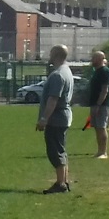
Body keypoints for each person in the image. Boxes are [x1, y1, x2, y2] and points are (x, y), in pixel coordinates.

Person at [36, 44, 75, 194]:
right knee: (61, 149)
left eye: (51, 53)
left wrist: (44, 118)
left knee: (55, 151)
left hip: (57, 118)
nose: (49, 56)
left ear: (56, 55)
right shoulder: (67, 71)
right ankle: (64, 180)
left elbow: (53, 99)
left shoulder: (58, 74)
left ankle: (60, 184)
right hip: (63, 117)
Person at [86, 50, 109, 159]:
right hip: (95, 104)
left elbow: (105, 90)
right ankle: (99, 151)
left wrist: (98, 104)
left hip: (102, 105)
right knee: (97, 128)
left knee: (102, 127)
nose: (92, 60)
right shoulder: (96, 71)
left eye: (94, 58)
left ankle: (104, 152)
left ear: (100, 59)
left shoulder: (104, 72)